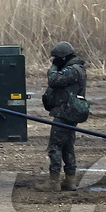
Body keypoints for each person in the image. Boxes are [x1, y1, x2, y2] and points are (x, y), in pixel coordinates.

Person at [41, 41, 87, 191]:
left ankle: (54, 181)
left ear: (62, 57)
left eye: (56, 58)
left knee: (55, 146)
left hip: (65, 113)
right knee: (67, 146)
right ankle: (70, 179)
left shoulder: (72, 70)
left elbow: (53, 80)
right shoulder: (77, 69)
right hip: (70, 113)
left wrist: (53, 67)